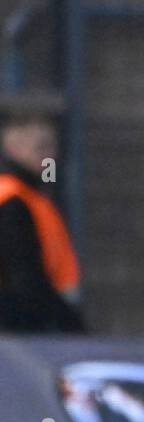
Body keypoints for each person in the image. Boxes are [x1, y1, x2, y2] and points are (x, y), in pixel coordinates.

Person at [0, 113, 83, 334]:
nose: (49, 157)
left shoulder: (35, 196)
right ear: (13, 148)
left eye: (51, 147)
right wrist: (67, 322)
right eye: (40, 148)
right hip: (18, 326)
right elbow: (24, 276)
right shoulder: (11, 201)